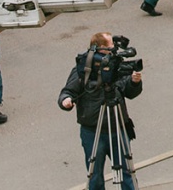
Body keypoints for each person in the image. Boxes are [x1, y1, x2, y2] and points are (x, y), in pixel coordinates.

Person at [58, 31, 143, 190]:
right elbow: (67, 92)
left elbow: (130, 93)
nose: (115, 47)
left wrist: (134, 82)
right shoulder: (84, 69)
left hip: (118, 128)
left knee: (125, 172)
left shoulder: (115, 66)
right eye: (111, 45)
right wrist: (66, 101)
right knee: (95, 175)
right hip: (92, 130)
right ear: (102, 48)